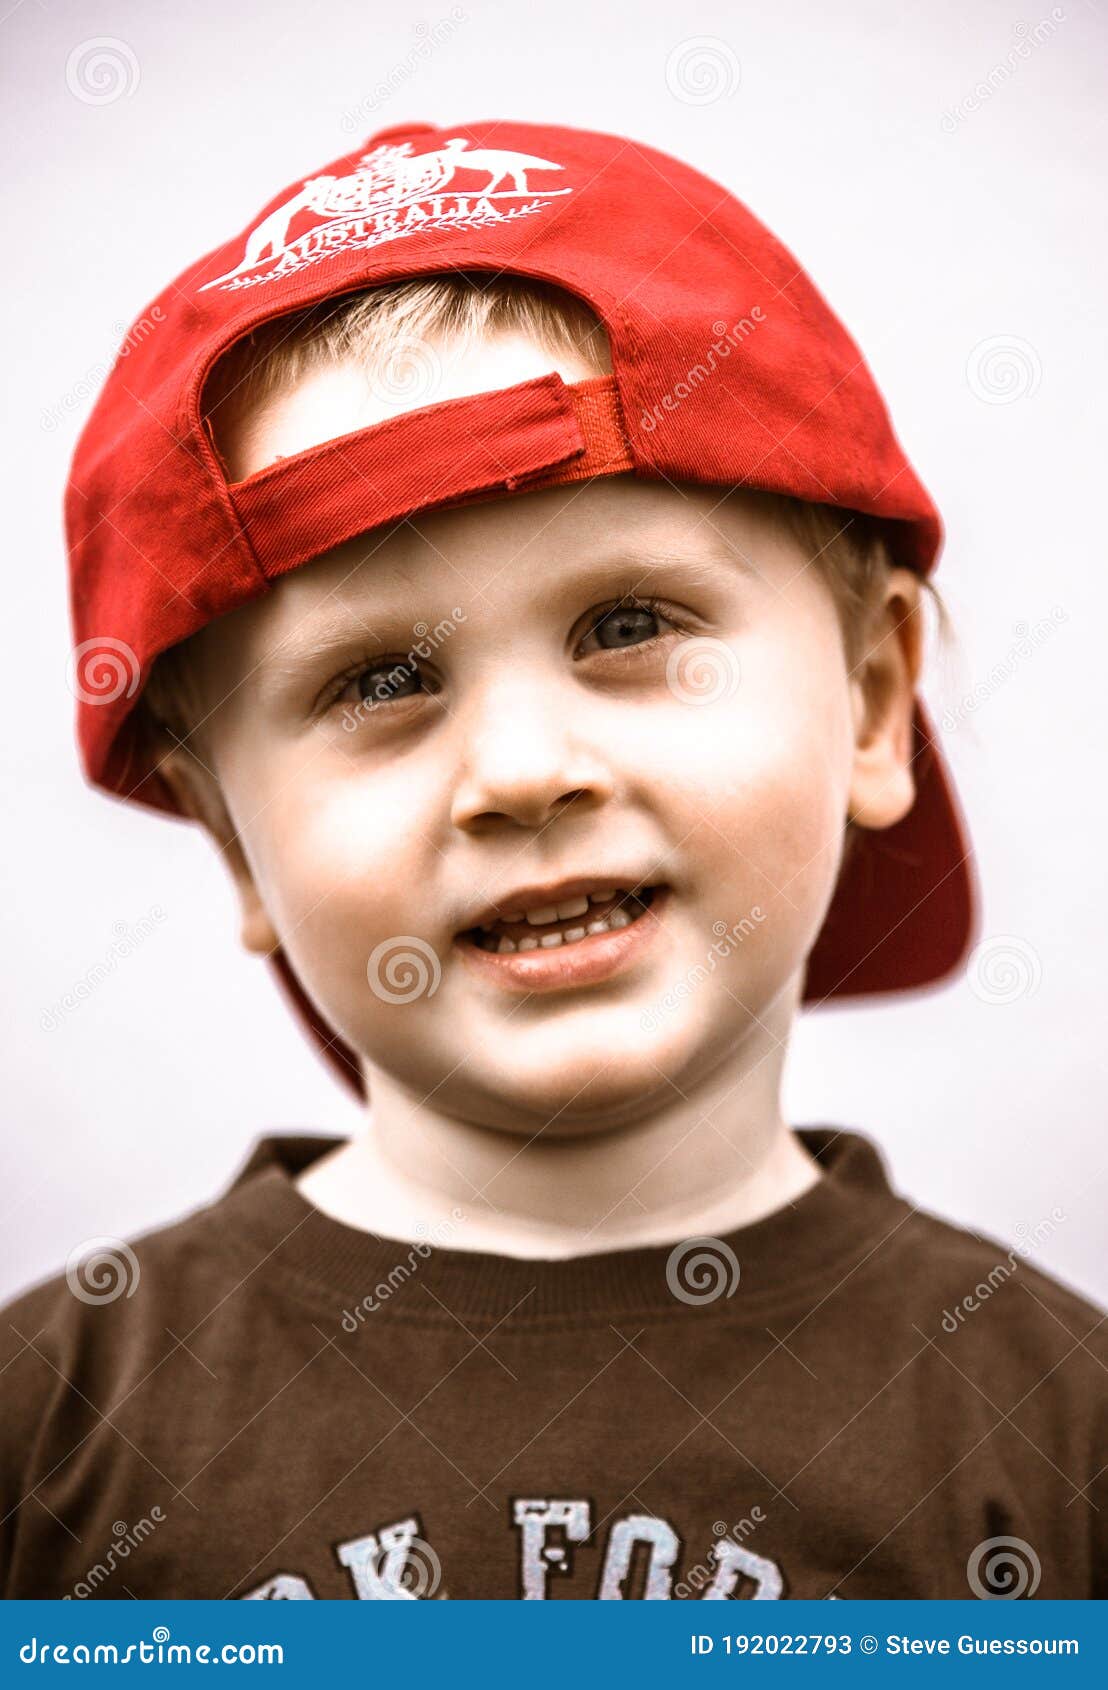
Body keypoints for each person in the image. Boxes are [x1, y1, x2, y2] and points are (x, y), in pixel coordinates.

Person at [2, 119, 1103, 1601]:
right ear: (233, 844)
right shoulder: (48, 1437)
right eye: (380, 680)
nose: (522, 773)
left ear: (876, 701)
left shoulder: (1065, 1436)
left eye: (632, 625)